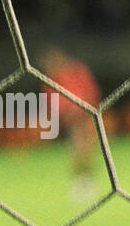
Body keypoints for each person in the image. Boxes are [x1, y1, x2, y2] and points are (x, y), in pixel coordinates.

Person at [41, 48, 102, 202]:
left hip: (86, 114)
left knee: (85, 150)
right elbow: (51, 101)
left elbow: (90, 89)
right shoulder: (50, 80)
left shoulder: (77, 71)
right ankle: (81, 182)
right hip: (70, 120)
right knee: (77, 150)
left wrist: (83, 106)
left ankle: (86, 182)